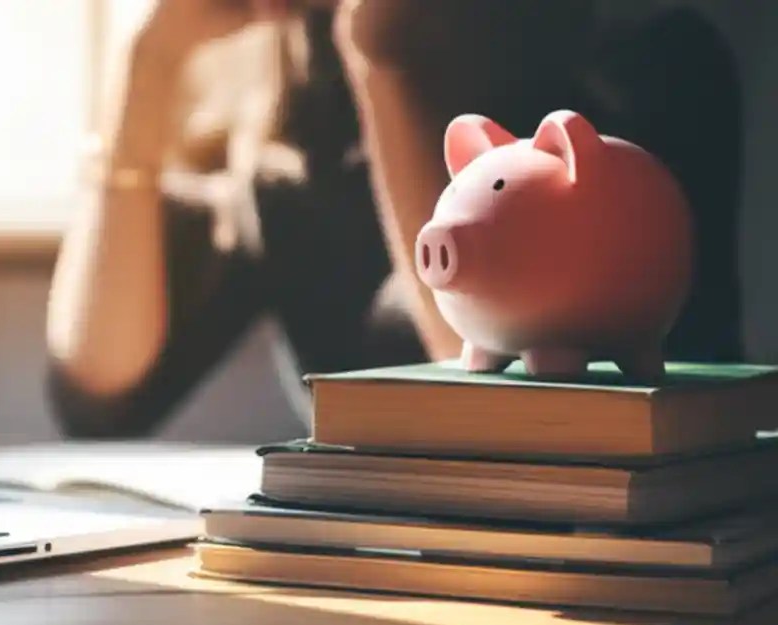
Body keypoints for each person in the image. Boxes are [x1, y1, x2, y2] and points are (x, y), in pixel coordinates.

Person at [45, 0, 743, 438]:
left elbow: (521, 415)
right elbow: (104, 393)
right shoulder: (285, 116)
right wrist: (148, 69)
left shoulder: (646, 64)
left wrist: (383, 60)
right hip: (376, 575)